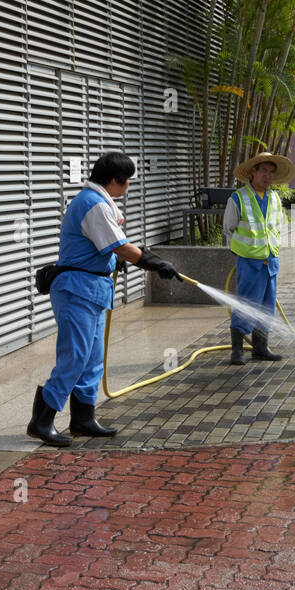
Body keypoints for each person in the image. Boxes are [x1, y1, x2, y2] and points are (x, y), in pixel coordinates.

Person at [27, 151, 181, 447]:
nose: (129, 187)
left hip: (92, 290)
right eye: (128, 182)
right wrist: (153, 262)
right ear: (115, 180)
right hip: (76, 291)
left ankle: (83, 418)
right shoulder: (92, 204)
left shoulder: (95, 202)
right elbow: (120, 245)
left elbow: (103, 246)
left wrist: (114, 260)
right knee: (75, 356)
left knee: (93, 357)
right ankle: (41, 421)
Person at [223, 151, 293, 365]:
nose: (267, 176)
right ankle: (237, 351)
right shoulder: (238, 198)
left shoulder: (274, 197)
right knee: (246, 304)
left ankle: (261, 348)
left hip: (270, 261)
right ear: (253, 172)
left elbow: (276, 228)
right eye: (263, 171)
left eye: (271, 172)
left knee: (266, 305)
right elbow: (228, 229)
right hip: (249, 262)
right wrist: (241, 252)